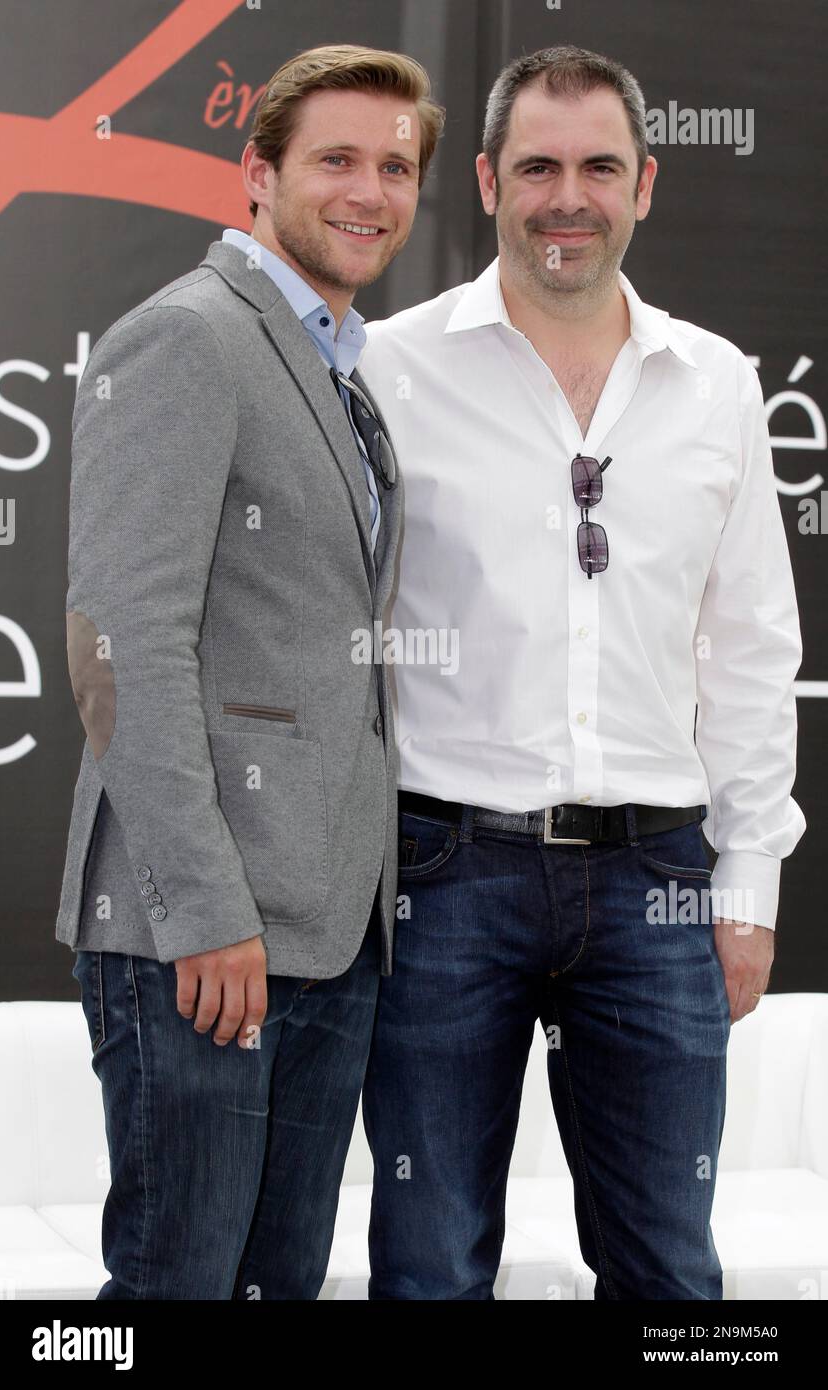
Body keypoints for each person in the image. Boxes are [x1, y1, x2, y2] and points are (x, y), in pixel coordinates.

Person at [357, 44, 806, 1300]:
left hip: (661, 877)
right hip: (443, 877)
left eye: (599, 167)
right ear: (490, 181)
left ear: (646, 185)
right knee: (429, 1263)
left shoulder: (715, 381)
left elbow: (755, 641)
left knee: (671, 1272)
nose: (570, 196)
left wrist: (750, 880)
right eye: (539, 167)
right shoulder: (389, 367)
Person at [55, 43, 443, 1300]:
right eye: (337, 159)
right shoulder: (187, 338)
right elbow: (123, 645)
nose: (369, 191)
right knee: (177, 1285)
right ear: (256, 173)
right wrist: (210, 910)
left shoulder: (341, 364)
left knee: (276, 1283)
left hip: (327, 931)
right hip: (202, 935)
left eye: (396, 166)